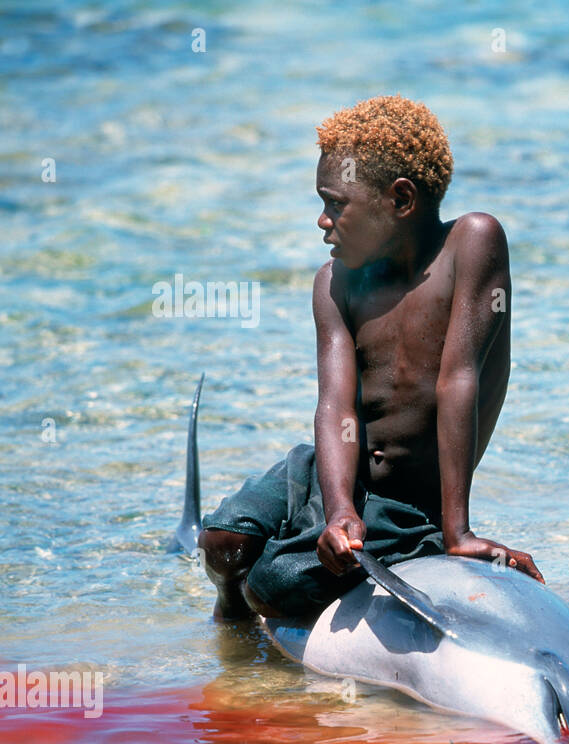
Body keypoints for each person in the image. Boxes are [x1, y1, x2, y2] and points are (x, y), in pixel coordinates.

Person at [197, 94, 542, 621]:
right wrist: (337, 510)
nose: (321, 220)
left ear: (400, 200)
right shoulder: (336, 283)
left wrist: (459, 532)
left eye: (336, 203)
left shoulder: (473, 242)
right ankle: (235, 617)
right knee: (223, 543)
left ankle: (378, 549)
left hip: (403, 506)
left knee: (272, 584)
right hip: (329, 471)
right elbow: (337, 407)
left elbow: (458, 380)